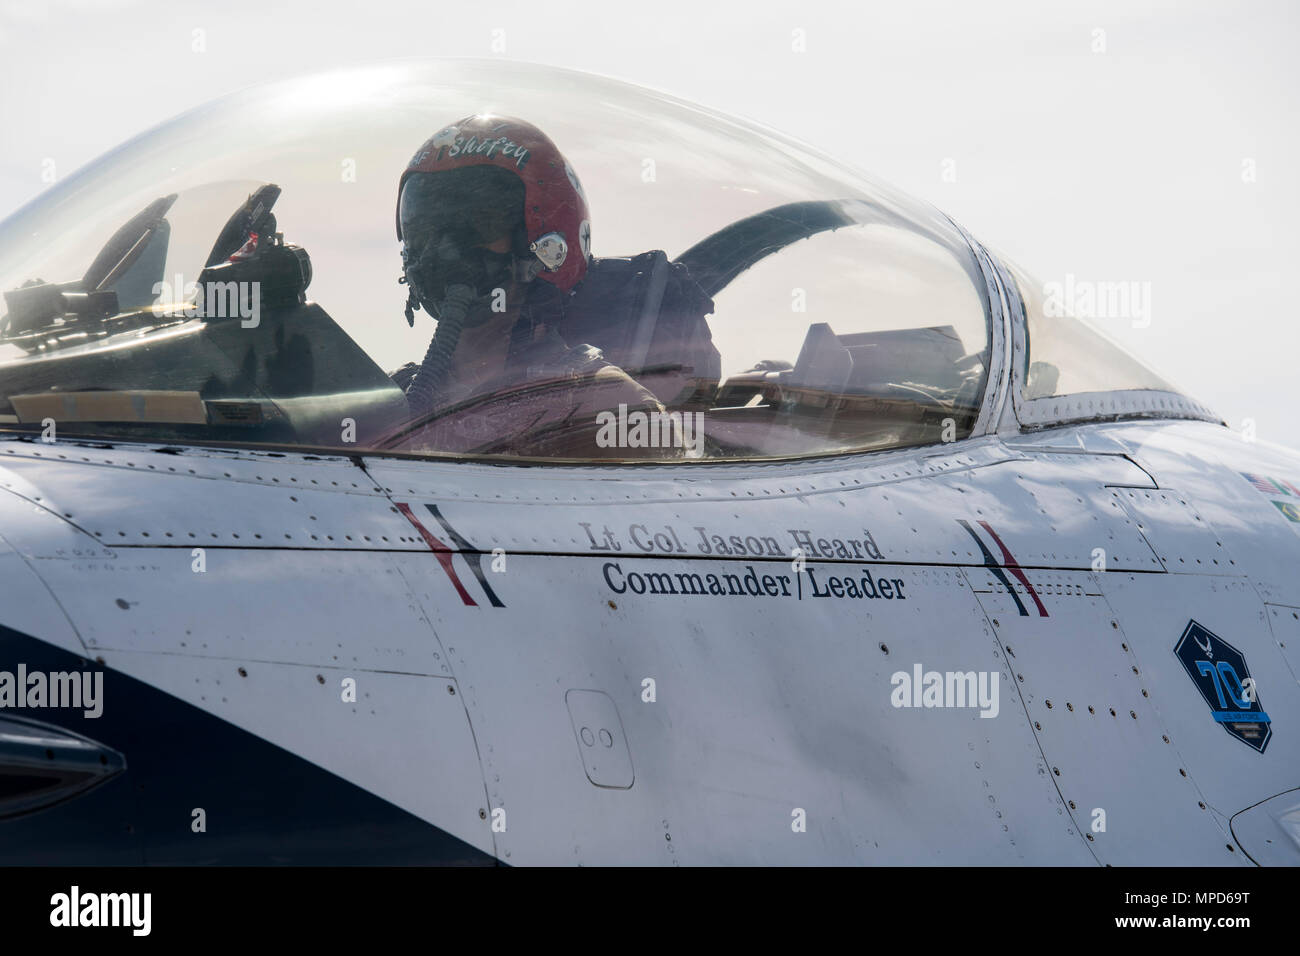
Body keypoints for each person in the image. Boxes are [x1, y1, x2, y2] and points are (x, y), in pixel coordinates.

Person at [386, 114, 670, 459]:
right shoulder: (389, 399)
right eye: (426, 230)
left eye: (476, 224)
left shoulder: (603, 407)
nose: (442, 250)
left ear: (539, 241)